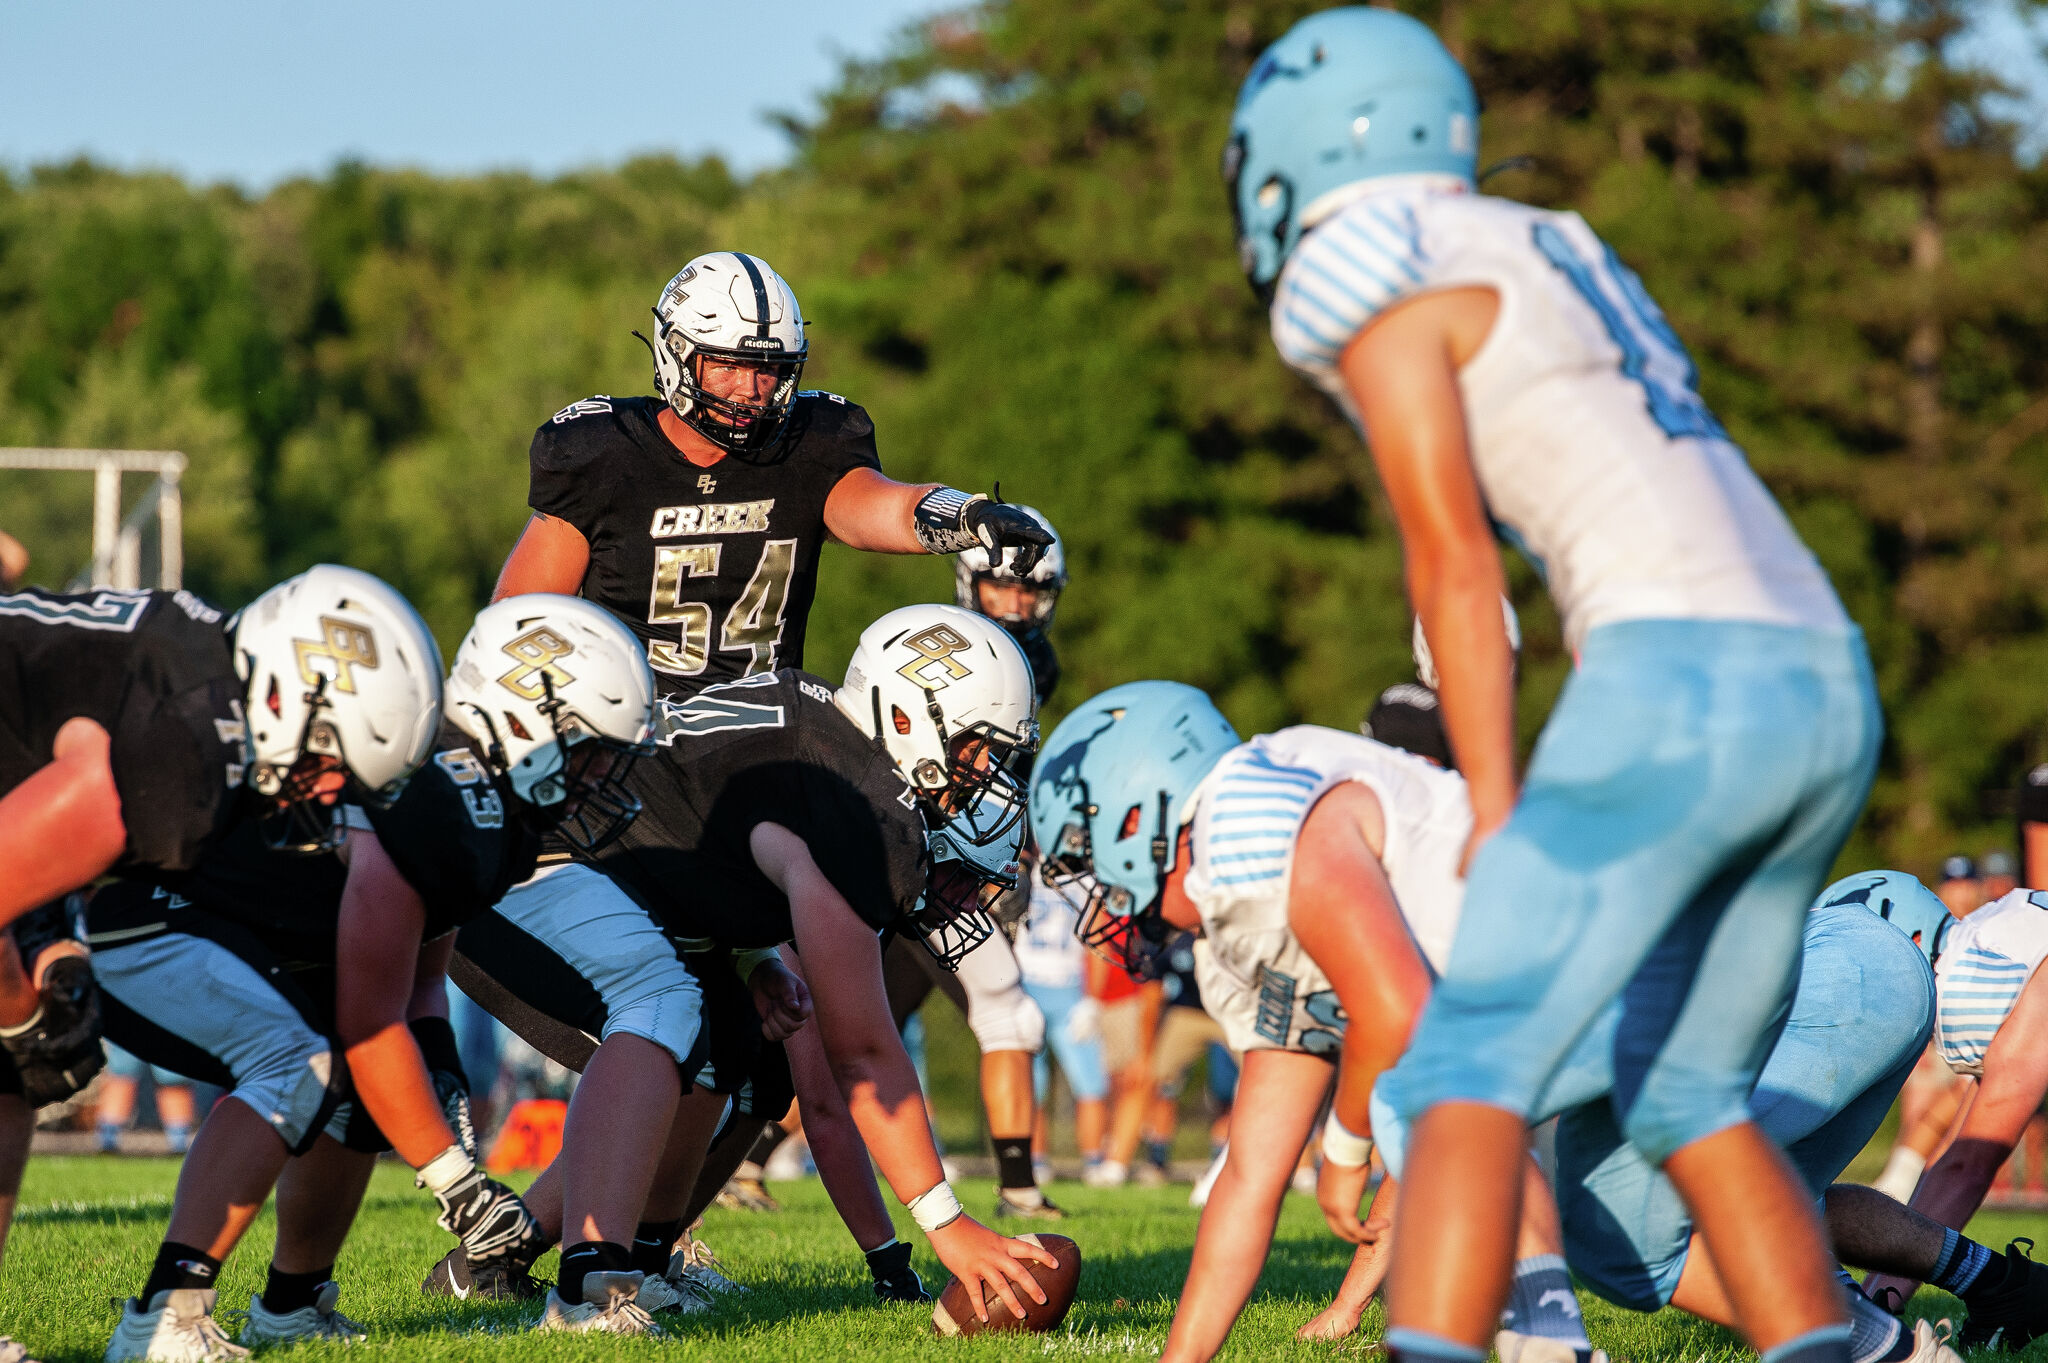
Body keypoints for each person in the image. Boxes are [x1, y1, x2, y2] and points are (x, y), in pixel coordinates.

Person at [1232, 13, 1881, 1363]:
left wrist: (1497, 794)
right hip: (1822, 673)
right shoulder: (1550, 242)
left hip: (1682, 672)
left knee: (1454, 1071)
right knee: (1690, 1093)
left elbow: (1458, 570)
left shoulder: (1382, 270)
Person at [446, 604, 1060, 1333]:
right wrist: (945, 1221)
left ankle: (631, 1260)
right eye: (974, 750)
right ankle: (588, 1286)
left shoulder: (829, 744)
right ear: (905, 715)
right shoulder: (857, 806)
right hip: (520, 847)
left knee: (734, 1036)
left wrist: (755, 952)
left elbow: (698, 828)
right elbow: (861, 1053)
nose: (985, 775)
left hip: (578, 852)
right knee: (668, 1005)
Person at [91, 593, 655, 1360]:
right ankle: (165, 1316)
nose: (601, 773)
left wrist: (442, 1064)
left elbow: (421, 975)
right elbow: (368, 1023)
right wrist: (458, 1184)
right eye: (591, 748)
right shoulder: (441, 804)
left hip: (240, 925)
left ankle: (291, 1304)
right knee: (301, 1062)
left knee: (352, 1094)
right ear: (531, 724)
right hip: (155, 913)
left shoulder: (491, 812)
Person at [0, 565, 442, 1363]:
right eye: (329, 757)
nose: (331, 787)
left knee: (16, 1062)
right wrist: (21, 1001)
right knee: (29, 1038)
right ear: (280, 692)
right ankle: (162, 1325)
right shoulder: (182, 749)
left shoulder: (200, 669)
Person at [491, 251, 1052, 697]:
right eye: (730, 365)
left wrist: (968, 513)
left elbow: (880, 508)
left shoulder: (810, 442)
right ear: (676, 353)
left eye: (769, 369)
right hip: (633, 734)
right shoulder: (605, 454)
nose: (751, 389)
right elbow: (516, 623)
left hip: (761, 734)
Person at [1855, 876, 2048, 1345]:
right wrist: (1876, 1298)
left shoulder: (1975, 966)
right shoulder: (1996, 932)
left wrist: (1867, 1311)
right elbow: (1961, 1159)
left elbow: (1967, 1164)